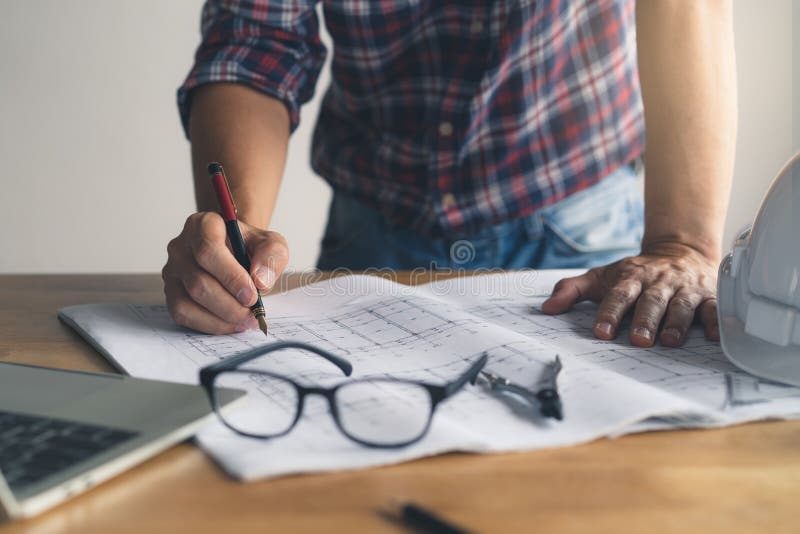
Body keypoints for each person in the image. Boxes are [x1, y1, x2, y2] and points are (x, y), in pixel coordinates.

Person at [162, 0, 736, 348]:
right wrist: (239, 239)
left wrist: (680, 243)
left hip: (583, 226)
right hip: (375, 227)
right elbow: (258, 40)